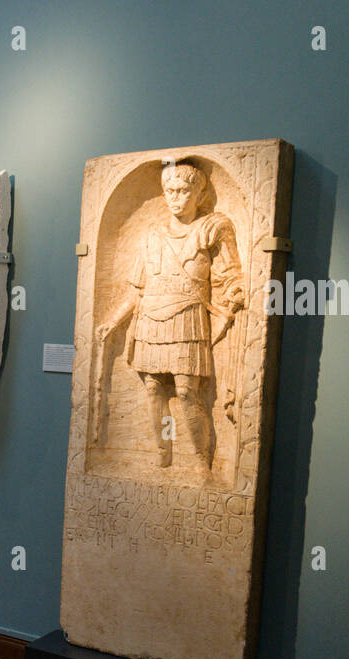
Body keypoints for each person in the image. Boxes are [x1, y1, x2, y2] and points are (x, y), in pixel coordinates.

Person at [96, 161, 245, 468]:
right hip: (151, 319)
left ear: (199, 195)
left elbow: (232, 276)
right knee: (153, 389)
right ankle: (165, 453)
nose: (175, 197)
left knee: (187, 391)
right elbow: (138, 290)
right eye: (169, 191)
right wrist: (113, 321)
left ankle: (201, 460)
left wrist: (237, 295)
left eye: (183, 191)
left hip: (187, 318)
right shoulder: (152, 235)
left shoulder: (212, 228)